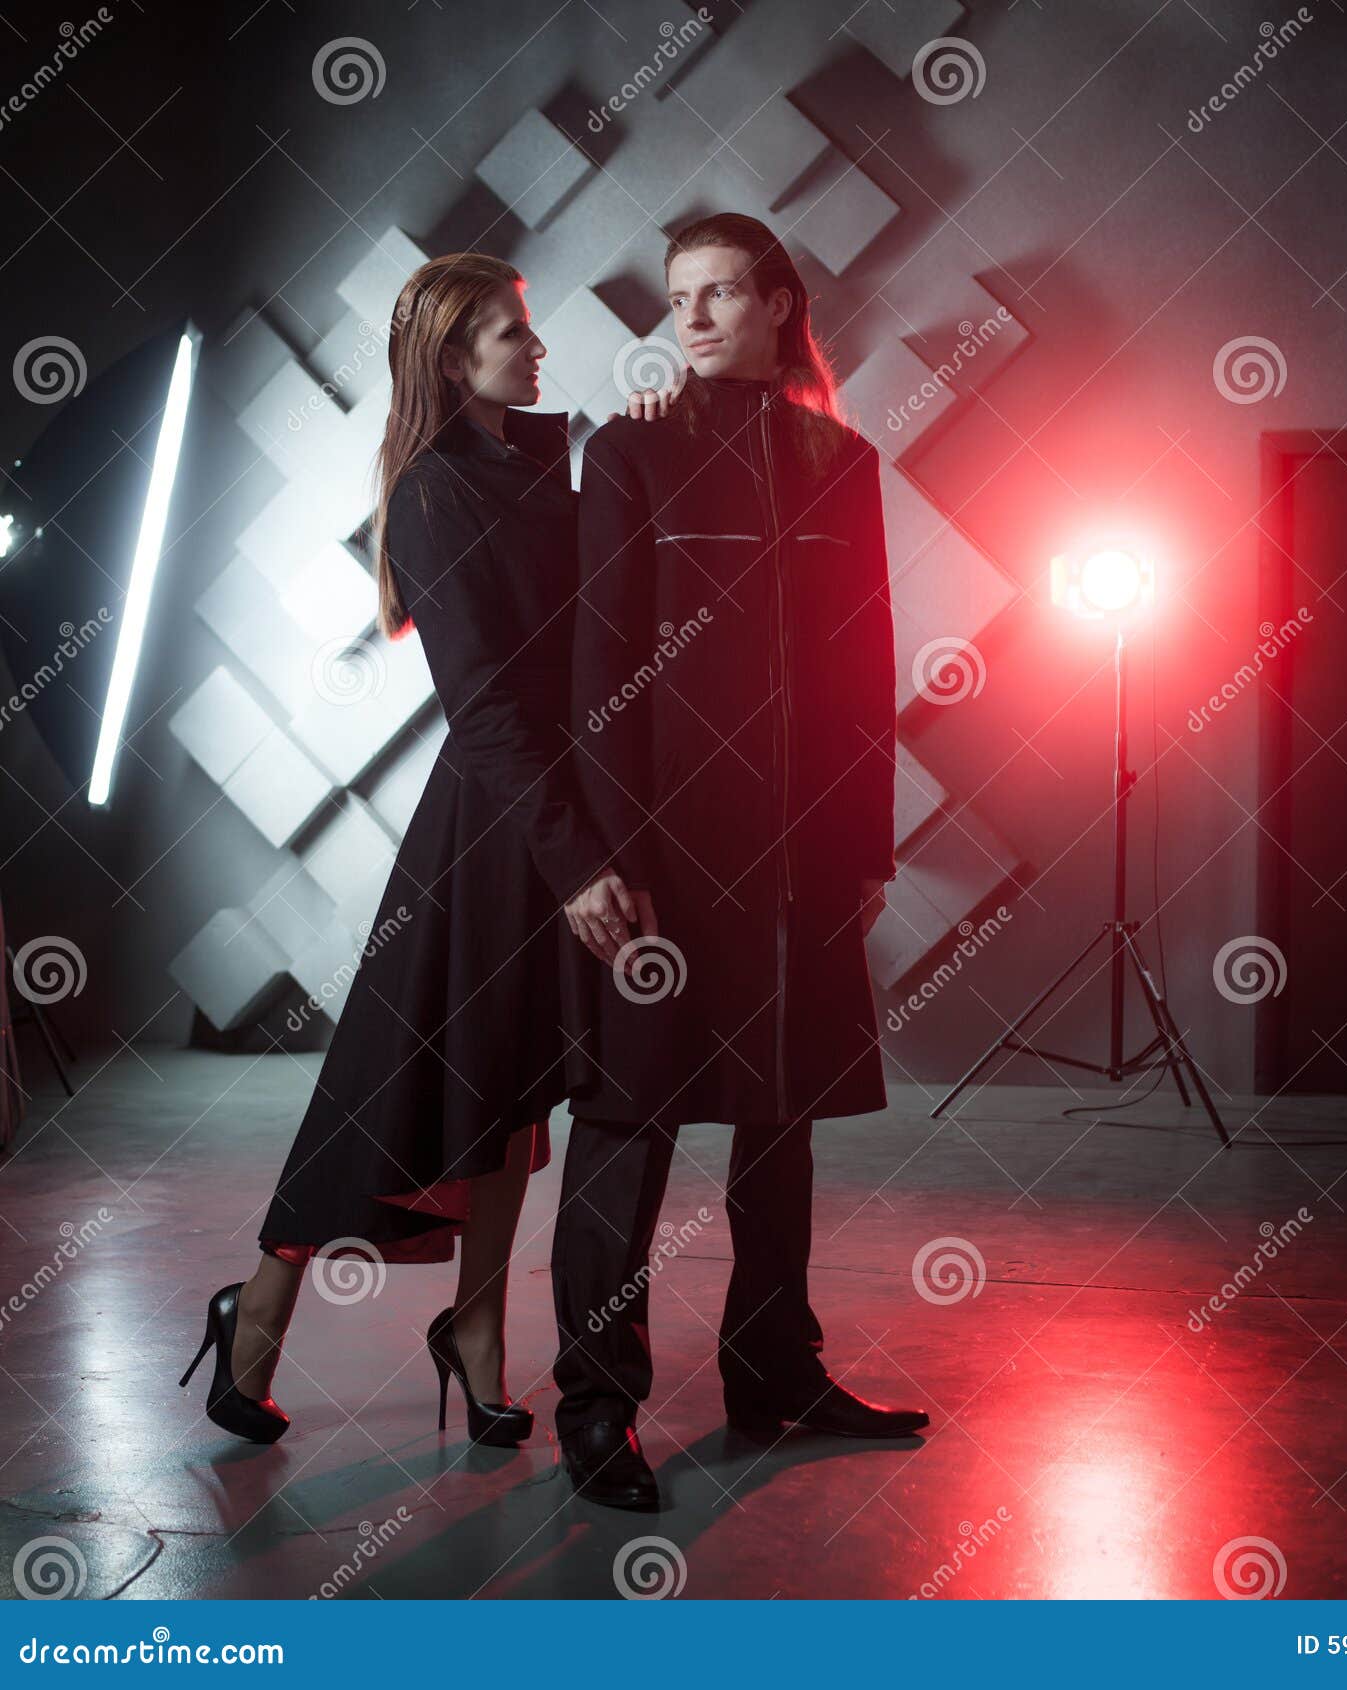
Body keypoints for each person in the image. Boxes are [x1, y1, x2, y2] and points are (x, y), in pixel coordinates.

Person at [180, 254, 663, 1448]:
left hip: (561, 811)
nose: (535, 348)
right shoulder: (436, 491)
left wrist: (661, 445)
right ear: (455, 358)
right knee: (382, 1094)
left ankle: (479, 1333)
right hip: (496, 826)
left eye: (529, 329)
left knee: (511, 1091)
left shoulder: (539, 461)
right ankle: (255, 1320)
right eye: (511, 334)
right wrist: (573, 858)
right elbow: (487, 705)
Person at [552, 212, 930, 1510]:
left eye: (720, 292)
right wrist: (605, 853)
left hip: (805, 856)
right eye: (680, 297)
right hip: (662, 857)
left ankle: (776, 1368)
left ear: (779, 302)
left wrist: (866, 839)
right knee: (628, 1125)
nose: (695, 316)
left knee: (784, 1116)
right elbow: (597, 672)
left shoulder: (841, 458)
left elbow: (866, 662)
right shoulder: (633, 455)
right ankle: (597, 1405)